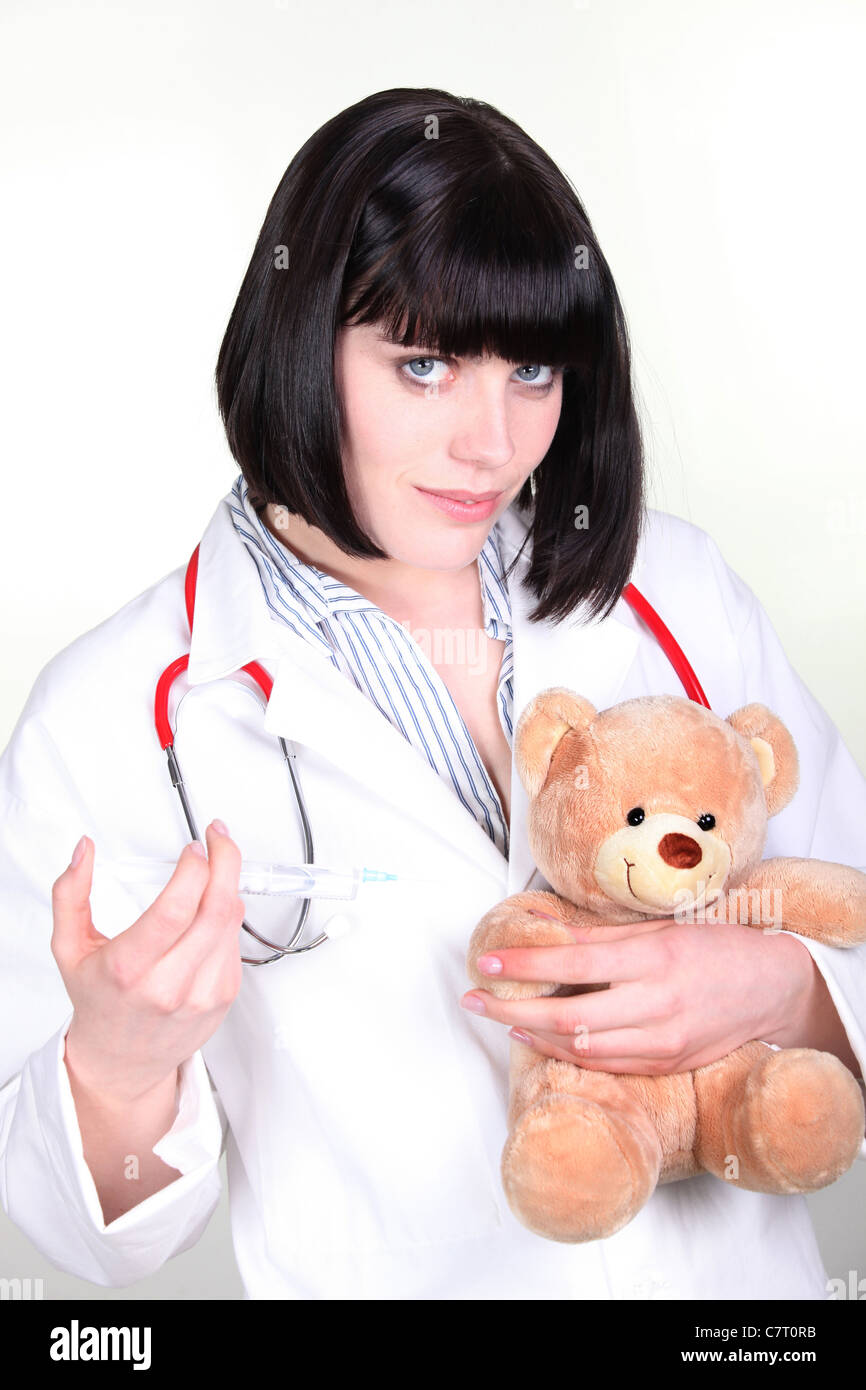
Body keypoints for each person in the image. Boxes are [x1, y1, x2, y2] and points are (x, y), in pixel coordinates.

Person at [1, 86, 864, 1301]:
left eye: (531, 370)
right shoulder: (118, 718)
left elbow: (847, 911)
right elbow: (91, 1238)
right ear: (299, 341)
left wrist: (787, 989)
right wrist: (118, 1066)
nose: (492, 445)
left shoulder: (669, 591)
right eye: (423, 365)